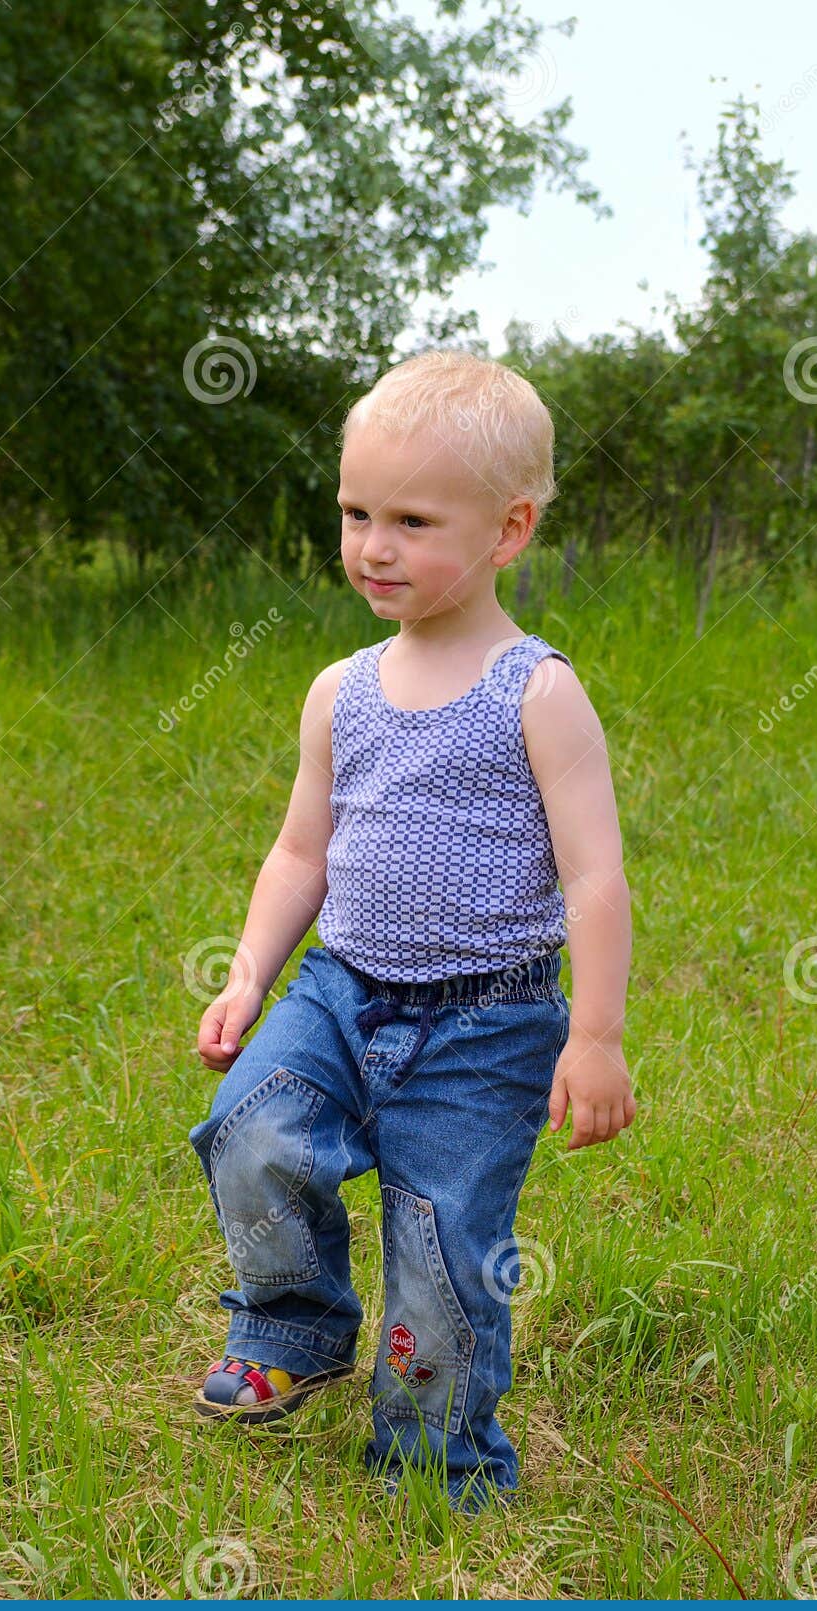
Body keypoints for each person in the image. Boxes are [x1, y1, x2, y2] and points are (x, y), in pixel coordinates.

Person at [187, 349, 637, 1513]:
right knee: (250, 1128)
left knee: (441, 1258)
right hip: (340, 989)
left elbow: (595, 878)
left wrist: (595, 1036)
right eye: (355, 513)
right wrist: (250, 979)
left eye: (412, 520)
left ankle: (435, 1462)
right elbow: (300, 851)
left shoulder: (537, 690)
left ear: (509, 529)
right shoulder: (341, 687)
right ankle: (294, 1322)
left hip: (486, 1024)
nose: (373, 545)